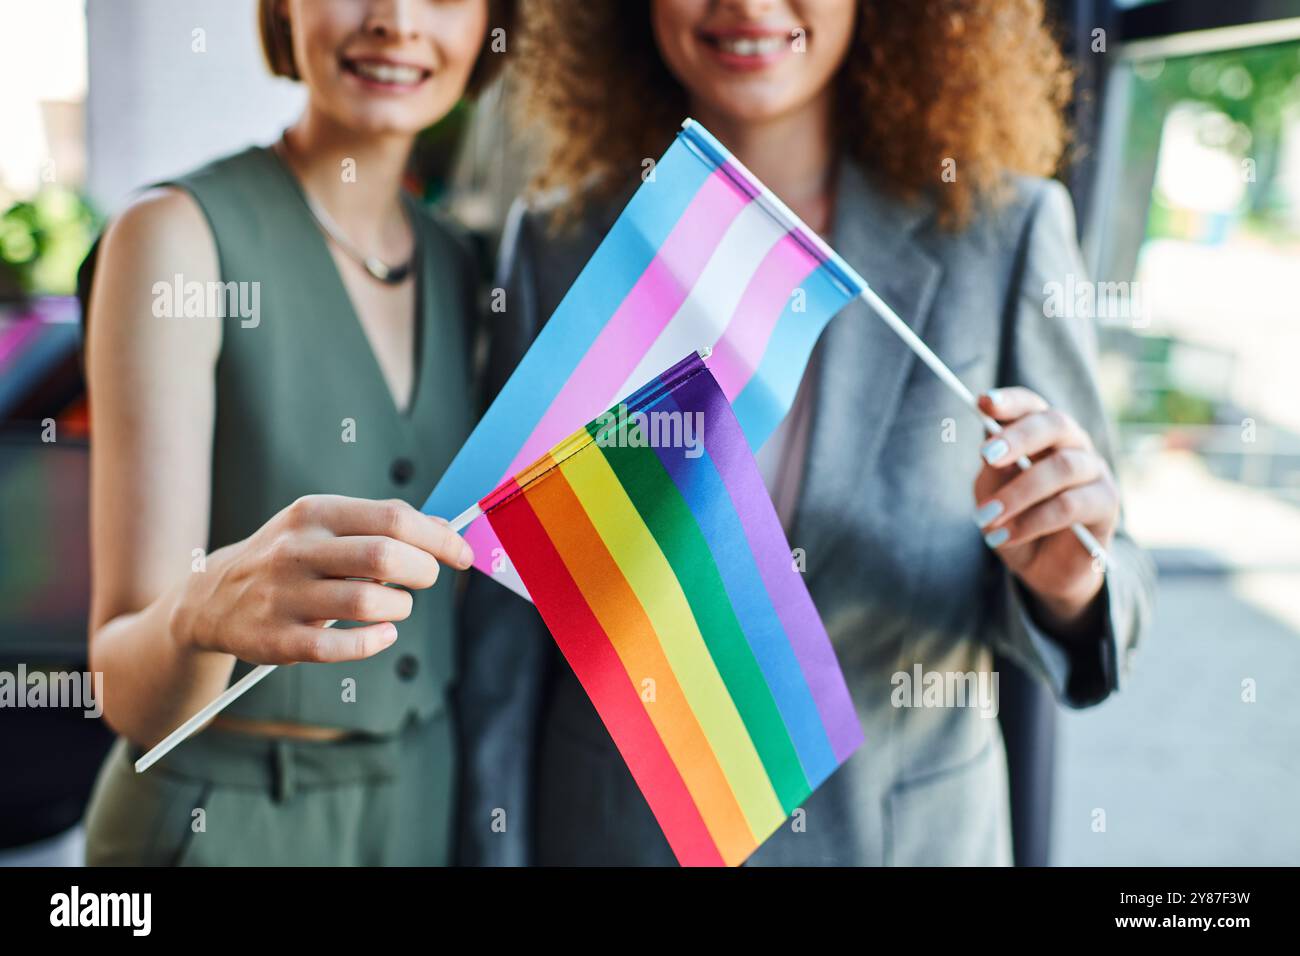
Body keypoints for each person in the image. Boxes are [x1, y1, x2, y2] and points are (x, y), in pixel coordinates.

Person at [456, 0, 1156, 865]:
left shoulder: (1002, 232)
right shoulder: (564, 243)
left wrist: (1066, 585)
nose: (748, 6)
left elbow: (1116, 575)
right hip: (617, 836)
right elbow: (504, 632)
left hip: (901, 841)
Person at [79, 0, 514, 866]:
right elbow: (119, 683)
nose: (394, 20)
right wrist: (201, 614)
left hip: (424, 804)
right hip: (222, 819)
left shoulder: (467, 267)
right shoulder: (174, 239)